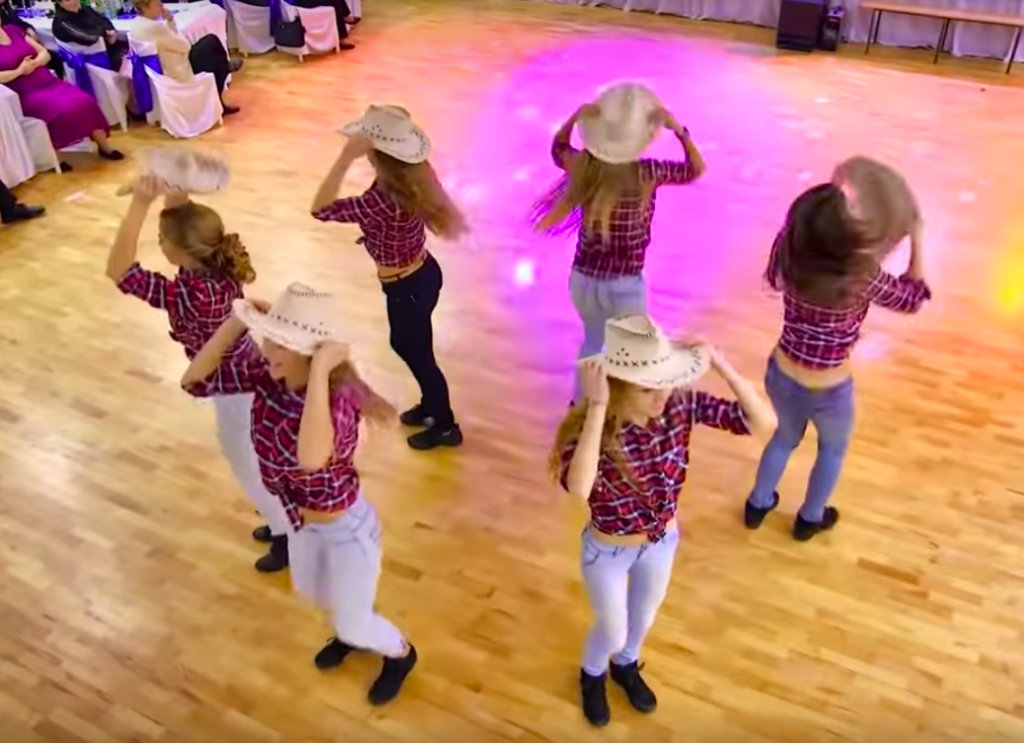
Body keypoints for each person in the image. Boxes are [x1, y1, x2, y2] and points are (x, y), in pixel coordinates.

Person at [180, 284, 418, 705]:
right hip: (300, 522)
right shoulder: (269, 377)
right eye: (270, 338)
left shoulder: (337, 400)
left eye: (284, 344)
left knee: (352, 619)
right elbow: (193, 381)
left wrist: (322, 372)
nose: (269, 349)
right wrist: (236, 321)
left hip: (346, 530)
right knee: (316, 593)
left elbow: (310, 458)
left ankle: (399, 652)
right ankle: (352, 628)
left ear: (311, 354)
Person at [553, 314, 776, 727]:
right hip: (608, 551)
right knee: (613, 629)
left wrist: (720, 364)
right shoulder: (592, 426)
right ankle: (592, 674)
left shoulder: (679, 405)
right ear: (618, 386)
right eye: (648, 388)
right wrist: (598, 405)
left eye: (666, 382)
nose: (662, 396)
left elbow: (764, 423)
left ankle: (626, 665)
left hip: (661, 542)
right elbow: (579, 488)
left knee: (643, 619)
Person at [105, 173, 291, 573]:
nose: (159, 244)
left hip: (233, 387)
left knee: (248, 464)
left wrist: (139, 204)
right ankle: (280, 519)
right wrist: (171, 192)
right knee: (256, 455)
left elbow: (120, 270)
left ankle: (286, 535)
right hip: (246, 371)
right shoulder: (213, 266)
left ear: (180, 250)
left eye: (162, 240)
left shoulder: (190, 295)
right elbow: (182, 218)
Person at [743, 181, 931, 541]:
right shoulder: (860, 275)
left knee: (785, 437)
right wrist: (917, 239)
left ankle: (758, 503)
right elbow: (911, 298)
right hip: (829, 390)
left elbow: (846, 253)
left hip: (781, 372)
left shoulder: (791, 254)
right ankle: (810, 518)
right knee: (832, 449)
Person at [532, 82, 706, 404]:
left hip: (582, 280)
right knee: (631, 357)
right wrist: (680, 131)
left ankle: (581, 408)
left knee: (593, 343)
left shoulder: (585, 166)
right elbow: (695, 169)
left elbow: (557, 148)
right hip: (625, 285)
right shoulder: (647, 172)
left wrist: (575, 118)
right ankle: (617, 416)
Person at [311, 105, 467, 451]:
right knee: (414, 347)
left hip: (406, 287)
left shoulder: (381, 200)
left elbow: (320, 209)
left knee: (416, 354)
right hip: (422, 275)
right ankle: (431, 405)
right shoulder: (407, 179)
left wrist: (345, 158)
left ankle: (445, 426)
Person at [0, 24, 123, 159]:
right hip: (26, 92)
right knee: (62, 110)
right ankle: (54, 156)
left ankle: (104, 145)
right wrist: (19, 71)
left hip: (49, 82)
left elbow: (45, 54)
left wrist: (35, 63)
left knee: (85, 101)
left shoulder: (13, 30)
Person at [130, 0, 241, 115]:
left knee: (212, 48)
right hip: (177, 69)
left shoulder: (138, 24)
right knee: (212, 47)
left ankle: (224, 67)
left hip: (165, 67)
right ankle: (223, 77)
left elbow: (172, 41)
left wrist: (170, 21)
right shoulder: (155, 27)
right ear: (145, 8)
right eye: (157, 4)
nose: (162, 6)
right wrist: (170, 23)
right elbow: (185, 46)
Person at [53, 0, 129, 71]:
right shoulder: (62, 23)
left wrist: (110, 30)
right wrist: (106, 34)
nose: (74, 1)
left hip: (107, 47)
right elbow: (87, 37)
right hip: (95, 59)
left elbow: (103, 20)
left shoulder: (85, 10)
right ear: (60, 3)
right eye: (68, 0)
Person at [0, 0, 65, 77]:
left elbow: (16, 21)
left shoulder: (5, 8)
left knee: (53, 58)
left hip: (21, 41)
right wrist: (19, 71)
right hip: (12, 52)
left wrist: (28, 28)